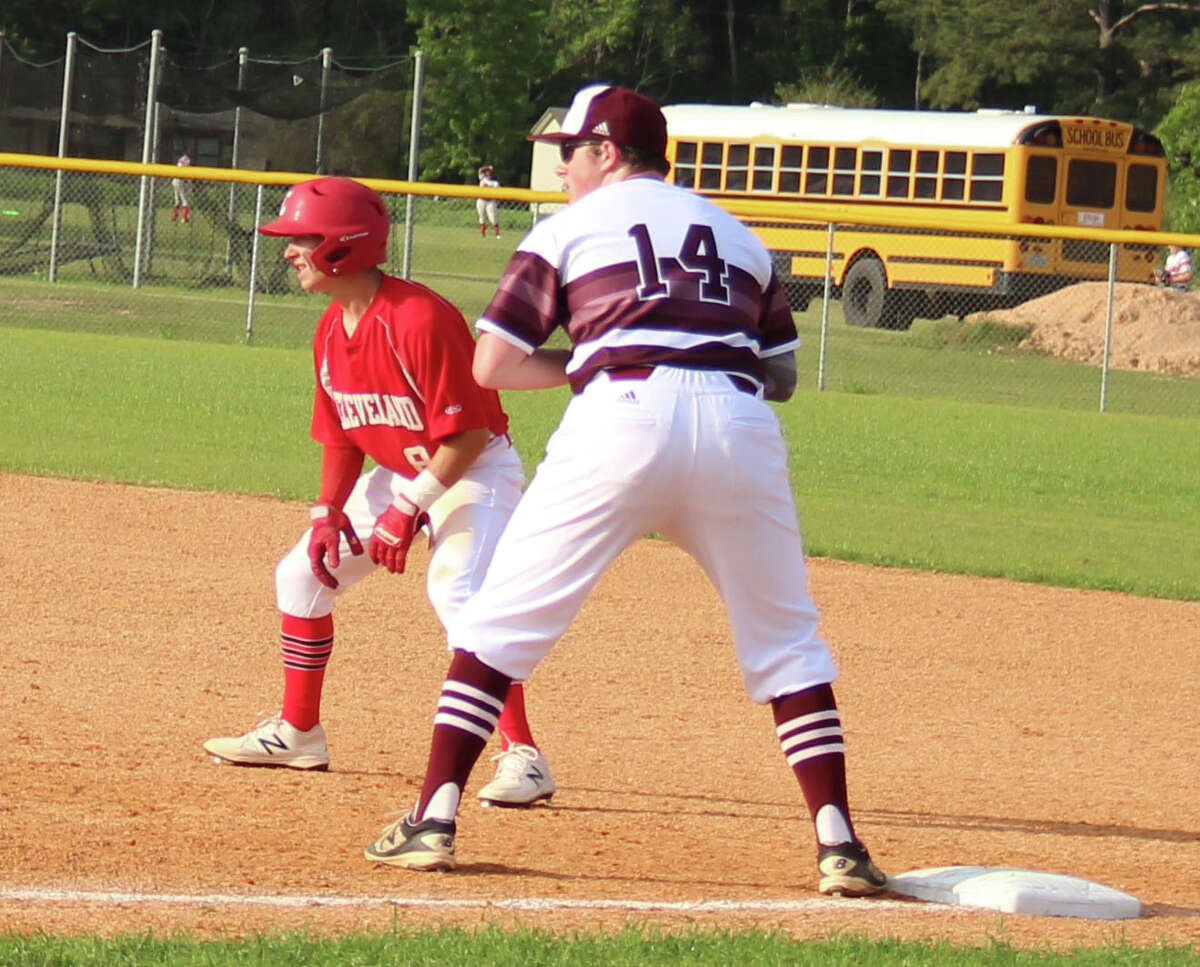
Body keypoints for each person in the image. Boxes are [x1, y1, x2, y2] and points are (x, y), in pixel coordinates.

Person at [363, 84, 887, 898]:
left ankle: (433, 815)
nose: (563, 168)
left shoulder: (568, 230)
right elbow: (780, 372)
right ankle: (840, 842)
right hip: (738, 429)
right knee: (787, 641)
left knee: (501, 620)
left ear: (607, 152)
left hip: (619, 417)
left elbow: (491, 365)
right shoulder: (740, 236)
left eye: (570, 152)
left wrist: (590, 358)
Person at [203, 176, 556, 809]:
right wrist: (326, 512)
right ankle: (299, 731)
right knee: (300, 578)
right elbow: (340, 434)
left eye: (301, 238)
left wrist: (408, 507)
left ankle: (523, 757)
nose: (288, 250)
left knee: (458, 594)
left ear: (343, 245)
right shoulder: (332, 330)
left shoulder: (417, 317)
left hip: (474, 472)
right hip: (402, 475)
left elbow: (470, 432)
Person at [476, 165, 501, 238]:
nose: (487, 174)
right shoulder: (482, 178)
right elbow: (480, 170)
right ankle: (482, 233)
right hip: (481, 200)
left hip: (490, 201)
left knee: (493, 218)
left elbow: (498, 190)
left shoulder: (495, 182)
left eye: (489, 173)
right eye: (486, 173)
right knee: (482, 218)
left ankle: (497, 234)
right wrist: (488, 167)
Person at [171, 148, 192, 223]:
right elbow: (187, 172)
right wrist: (189, 183)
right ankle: (184, 217)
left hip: (174, 180)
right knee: (184, 199)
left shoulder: (180, 159)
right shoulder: (187, 160)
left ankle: (174, 216)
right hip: (180, 181)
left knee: (177, 199)